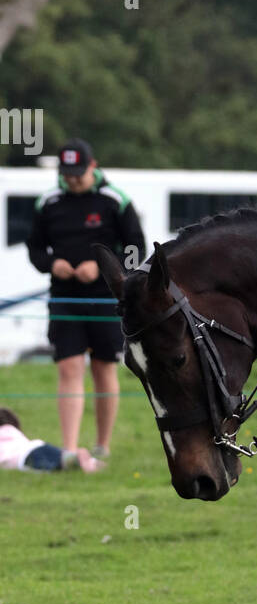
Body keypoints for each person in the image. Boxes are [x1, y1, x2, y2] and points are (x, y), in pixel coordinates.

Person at [26, 138, 146, 459]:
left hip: (106, 300)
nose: (73, 178)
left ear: (93, 166)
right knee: (69, 368)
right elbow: (35, 249)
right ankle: (68, 450)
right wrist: (53, 264)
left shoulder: (114, 201)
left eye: (79, 172)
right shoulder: (48, 203)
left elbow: (136, 249)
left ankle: (102, 446)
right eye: (67, 173)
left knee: (104, 368)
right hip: (64, 298)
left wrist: (105, 267)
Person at [0, 409, 103, 473]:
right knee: (59, 456)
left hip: (23, 458)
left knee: (53, 468)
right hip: (37, 445)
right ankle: (91, 462)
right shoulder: (12, 432)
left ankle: (75, 462)